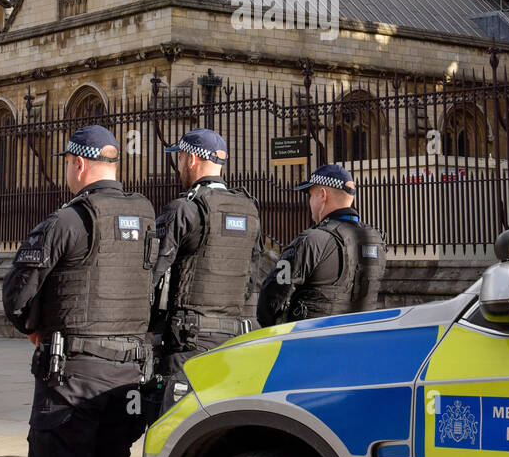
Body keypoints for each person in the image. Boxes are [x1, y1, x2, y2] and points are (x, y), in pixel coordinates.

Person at [0, 124, 158, 457]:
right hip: (128, 382)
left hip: (73, 384)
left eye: (67, 161)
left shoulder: (68, 220)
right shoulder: (146, 216)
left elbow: (19, 297)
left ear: (80, 165)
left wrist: (37, 329)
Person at [147, 128, 264, 420]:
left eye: (180, 158)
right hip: (234, 341)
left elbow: (150, 273)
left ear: (190, 159)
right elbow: (253, 278)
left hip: (188, 340)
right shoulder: (249, 210)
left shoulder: (185, 208)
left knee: (174, 427)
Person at [256, 164, 387, 327]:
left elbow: (270, 301)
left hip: (311, 344)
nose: (310, 202)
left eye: (311, 195)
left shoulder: (311, 240)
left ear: (322, 195)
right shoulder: (376, 239)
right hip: (359, 343)